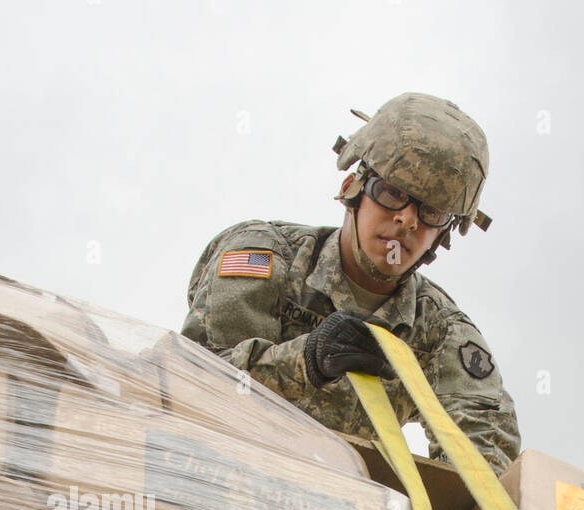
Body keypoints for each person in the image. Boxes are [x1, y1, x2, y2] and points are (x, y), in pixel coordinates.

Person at [181, 92, 520, 474]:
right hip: (221, 477)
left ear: (443, 235)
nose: (407, 221)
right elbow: (194, 383)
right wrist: (305, 360)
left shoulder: (440, 332)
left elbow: (485, 458)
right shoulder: (266, 256)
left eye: (431, 212)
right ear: (352, 187)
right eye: (393, 193)